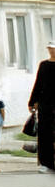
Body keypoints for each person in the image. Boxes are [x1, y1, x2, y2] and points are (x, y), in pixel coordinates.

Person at [28, 43, 55, 174]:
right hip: (46, 104)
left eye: (53, 48)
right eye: (50, 48)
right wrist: (33, 101)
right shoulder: (44, 65)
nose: (51, 50)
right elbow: (38, 83)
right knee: (45, 133)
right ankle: (46, 163)